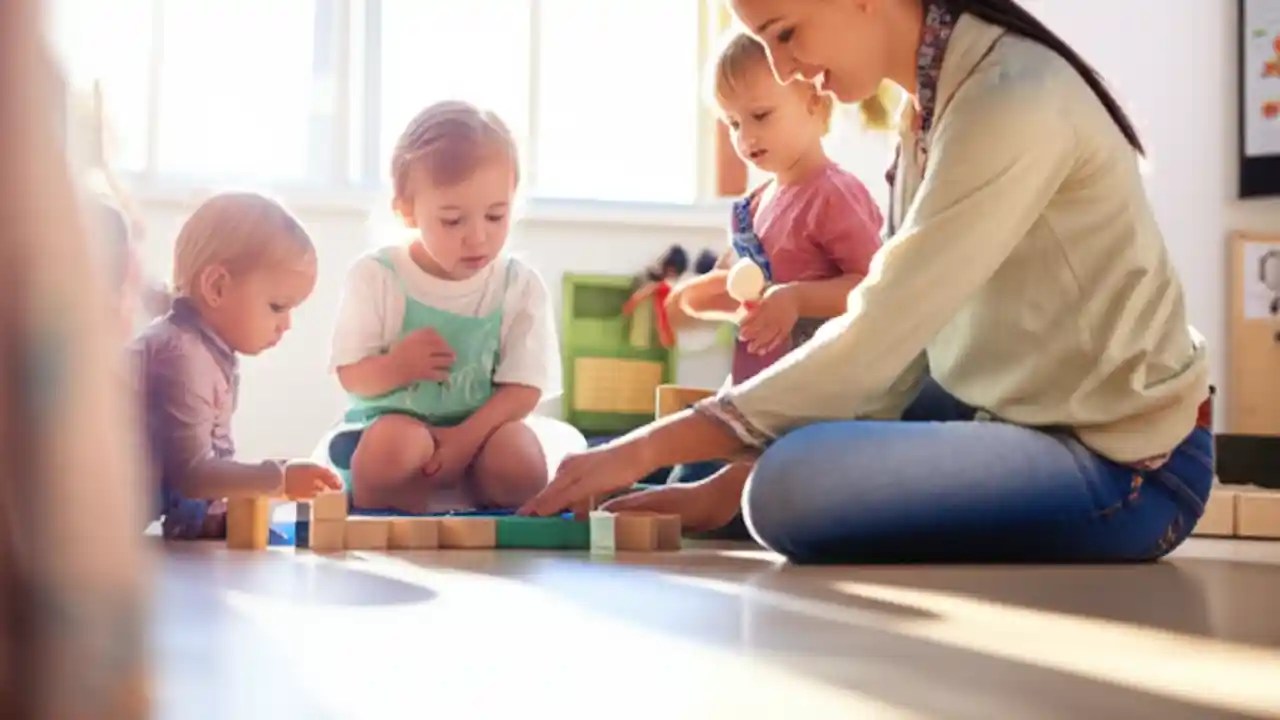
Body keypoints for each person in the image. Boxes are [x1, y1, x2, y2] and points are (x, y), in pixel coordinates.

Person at [521, 0, 1213, 565]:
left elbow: (877, 338)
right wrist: (719, 485)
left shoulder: (1010, 99)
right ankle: (727, 489)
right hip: (1006, 410)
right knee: (727, 474)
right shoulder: (929, 111)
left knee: (786, 491)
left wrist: (641, 445)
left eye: (784, 34)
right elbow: (901, 361)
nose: (783, 69)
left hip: (1130, 467)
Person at [604, 31, 884, 533]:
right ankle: (688, 492)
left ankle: (720, 502)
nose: (745, 137)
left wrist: (797, 299)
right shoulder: (755, 207)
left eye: (760, 116)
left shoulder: (834, 195)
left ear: (816, 106)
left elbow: (875, 288)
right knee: (687, 467)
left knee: (746, 479)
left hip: (818, 397)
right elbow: (738, 289)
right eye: (733, 123)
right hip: (753, 396)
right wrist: (698, 296)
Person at [325, 100, 576, 515]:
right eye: (453, 221)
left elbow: (524, 389)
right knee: (396, 445)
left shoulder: (518, 285)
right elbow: (351, 375)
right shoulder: (378, 276)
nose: (477, 239)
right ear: (407, 210)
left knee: (522, 459)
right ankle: (404, 517)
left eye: (495, 216)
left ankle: (483, 517)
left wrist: (464, 439)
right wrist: (397, 367)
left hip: (482, 437)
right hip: (394, 439)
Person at [132, 192, 343, 540]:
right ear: (216, 287)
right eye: (277, 306)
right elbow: (191, 473)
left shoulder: (209, 352)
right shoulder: (181, 354)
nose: (287, 324)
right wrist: (279, 478)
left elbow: (208, 457)